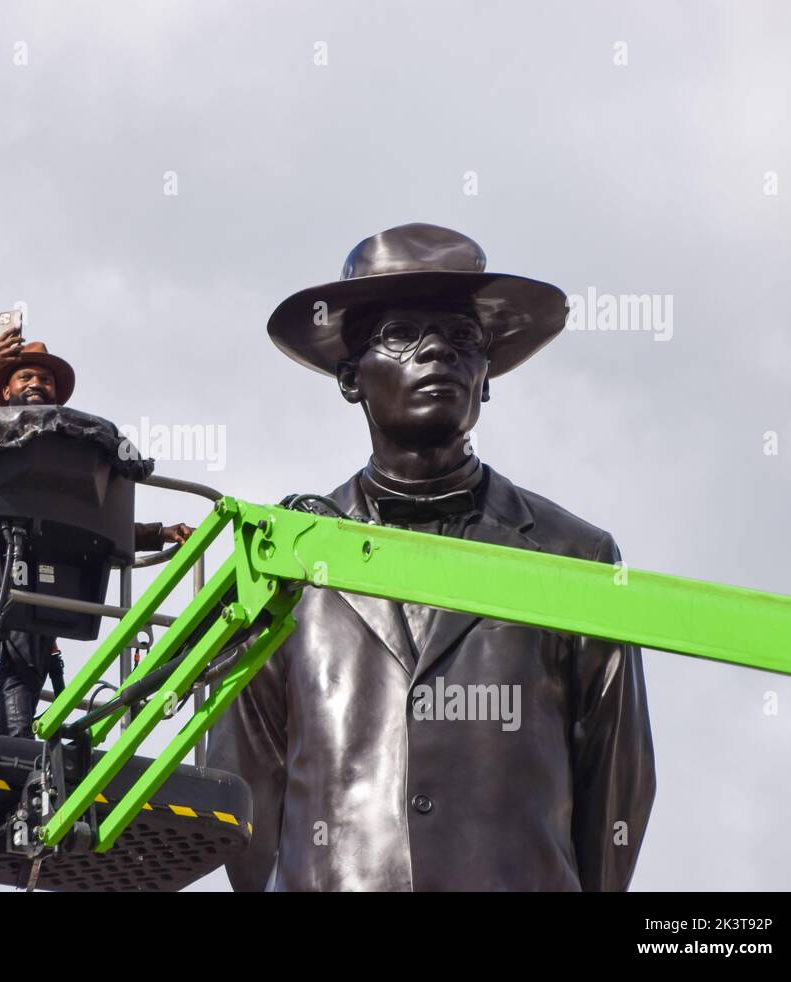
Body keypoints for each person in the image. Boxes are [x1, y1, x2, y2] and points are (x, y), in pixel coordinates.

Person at [208, 224, 657, 891]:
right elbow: (242, 790)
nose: (438, 351)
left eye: (463, 339)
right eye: (401, 332)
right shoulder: (278, 565)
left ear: (486, 378)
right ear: (350, 377)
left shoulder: (575, 555)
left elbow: (617, 787)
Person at [0, 333, 193, 737]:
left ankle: (7, 744)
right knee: (23, 658)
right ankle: (13, 744)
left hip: (51, 571)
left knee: (28, 661)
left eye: (45, 380)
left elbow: (90, 522)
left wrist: (160, 533)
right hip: (1, 565)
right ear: (5, 390)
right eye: (25, 376)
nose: (36, 384)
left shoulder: (67, 450)